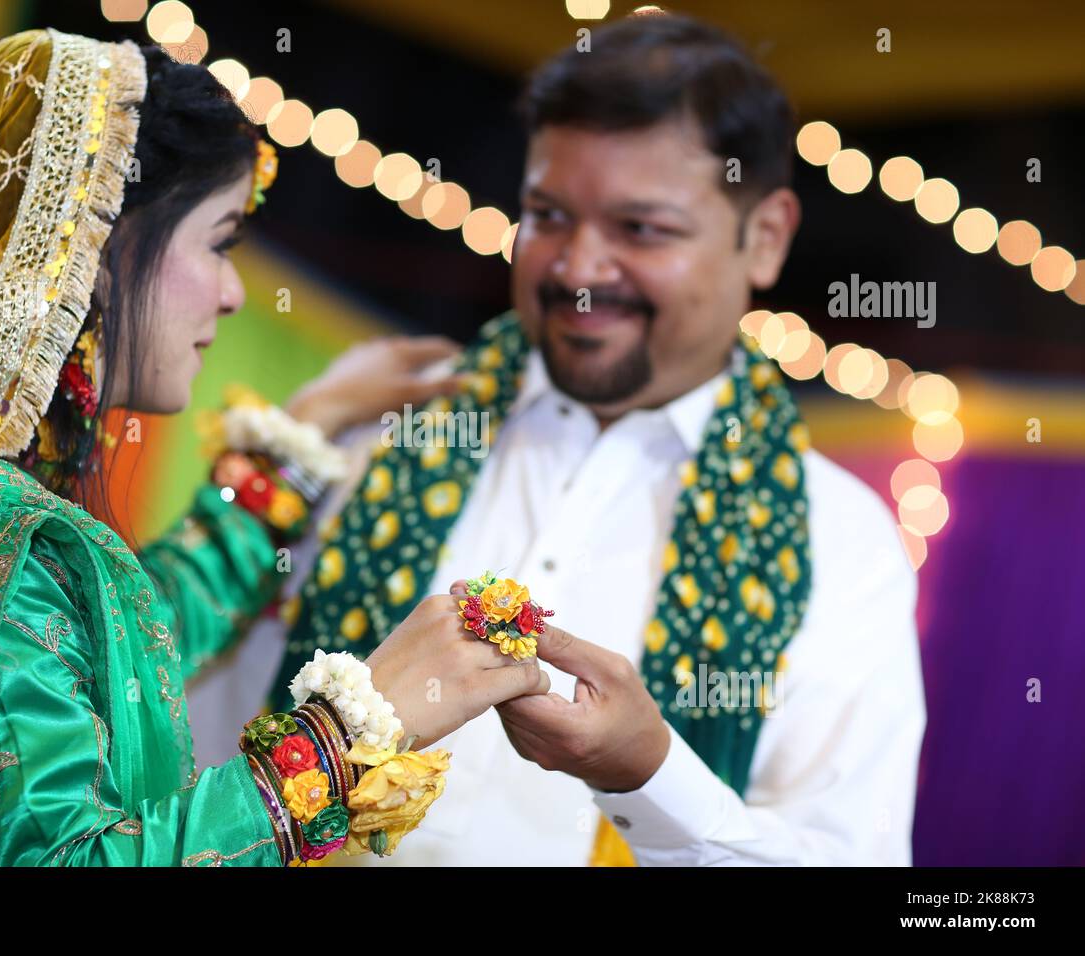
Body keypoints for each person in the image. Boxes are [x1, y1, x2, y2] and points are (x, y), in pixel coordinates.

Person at [0, 29, 547, 867]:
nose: (229, 294)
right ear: (102, 252)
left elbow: (139, 644)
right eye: (219, 243)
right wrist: (354, 727)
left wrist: (302, 430)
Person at [250, 12, 926, 865]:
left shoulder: (842, 539)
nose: (577, 269)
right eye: (549, 214)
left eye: (641, 229)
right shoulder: (380, 423)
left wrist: (651, 776)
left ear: (765, 237)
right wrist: (289, 446)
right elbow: (214, 736)